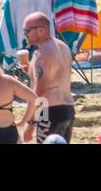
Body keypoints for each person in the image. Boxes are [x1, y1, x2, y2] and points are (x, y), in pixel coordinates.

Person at [22, 12, 75, 143]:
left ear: (41, 30)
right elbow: (56, 77)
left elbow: (40, 93)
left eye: (27, 30)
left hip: (50, 112)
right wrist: (31, 70)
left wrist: (30, 123)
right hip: (68, 109)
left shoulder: (41, 54)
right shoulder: (63, 46)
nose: (25, 34)